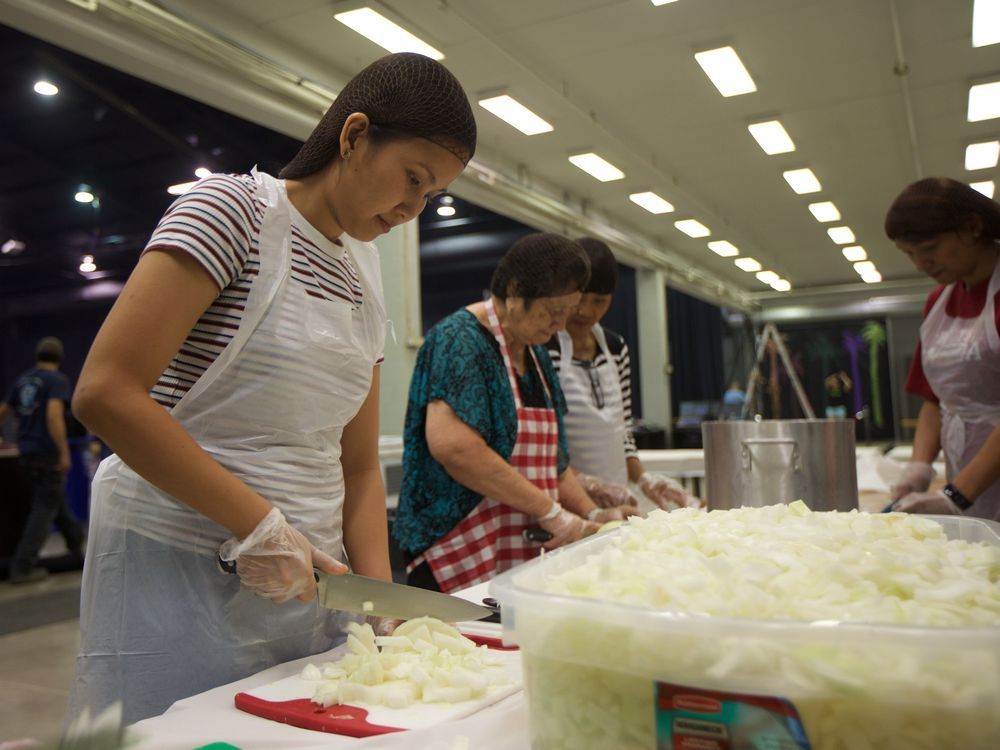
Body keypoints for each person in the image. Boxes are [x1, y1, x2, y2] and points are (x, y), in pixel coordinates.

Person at [65, 52, 476, 725]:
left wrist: (379, 607)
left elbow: (360, 463)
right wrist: (258, 523)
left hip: (299, 582)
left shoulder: (367, 275)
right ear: (353, 136)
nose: (413, 209)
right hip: (173, 569)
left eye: (430, 196)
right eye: (411, 179)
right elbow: (107, 392)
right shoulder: (233, 212)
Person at [393, 233, 635, 593]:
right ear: (515, 292)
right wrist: (549, 511)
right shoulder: (458, 339)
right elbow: (455, 448)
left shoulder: (536, 354)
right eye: (553, 312)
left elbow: (555, 462)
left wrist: (591, 513)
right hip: (454, 549)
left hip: (514, 548)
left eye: (566, 313)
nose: (559, 325)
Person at [546, 237, 698, 511]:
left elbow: (622, 428)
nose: (586, 311)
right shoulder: (546, 348)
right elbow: (548, 444)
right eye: (580, 300)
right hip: (566, 500)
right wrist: (588, 489)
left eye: (599, 301)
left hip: (618, 497)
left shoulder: (616, 348)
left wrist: (642, 478)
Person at [885, 177, 1000, 521]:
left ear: (972, 228)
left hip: (970, 482)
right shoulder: (939, 303)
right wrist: (919, 466)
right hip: (966, 477)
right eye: (910, 254)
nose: (921, 265)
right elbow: (935, 399)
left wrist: (955, 495)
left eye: (930, 248)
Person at [0, 336, 84, 583]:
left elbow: (3, 411)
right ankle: (22, 566)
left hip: (26, 453)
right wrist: (63, 451)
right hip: (47, 452)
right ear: (59, 357)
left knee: (54, 501)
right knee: (44, 510)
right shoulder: (57, 380)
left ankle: (75, 550)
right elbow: (54, 416)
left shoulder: (24, 379)